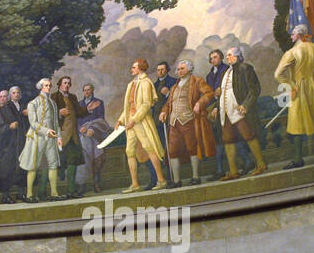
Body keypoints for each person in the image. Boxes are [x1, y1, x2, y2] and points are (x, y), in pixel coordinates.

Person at [274, 23, 314, 168]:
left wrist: (291, 85)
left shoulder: (291, 53)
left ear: (299, 35)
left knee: (297, 124)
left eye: (293, 34)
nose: (291, 36)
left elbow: (277, 74)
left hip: (299, 89)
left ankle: (298, 160)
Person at [158, 59, 215, 187]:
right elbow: (168, 104)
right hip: (173, 123)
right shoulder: (174, 87)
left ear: (189, 69)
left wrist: (199, 103)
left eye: (182, 68)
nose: (179, 71)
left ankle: (196, 177)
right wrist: (164, 112)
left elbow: (209, 93)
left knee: (192, 148)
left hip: (189, 120)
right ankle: (177, 181)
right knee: (172, 151)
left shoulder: (196, 81)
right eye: (178, 69)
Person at [218, 47, 268, 180]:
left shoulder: (245, 68)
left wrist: (246, 105)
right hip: (226, 112)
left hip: (240, 110)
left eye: (229, 55)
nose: (227, 58)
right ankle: (233, 171)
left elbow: (255, 89)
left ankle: (261, 164)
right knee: (228, 141)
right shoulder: (227, 72)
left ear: (237, 56)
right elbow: (225, 93)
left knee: (249, 136)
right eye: (227, 56)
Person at [120, 59, 168, 193]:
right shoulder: (132, 84)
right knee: (130, 151)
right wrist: (121, 119)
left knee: (149, 148)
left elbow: (146, 105)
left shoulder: (146, 83)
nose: (132, 69)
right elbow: (128, 106)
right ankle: (135, 184)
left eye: (134, 67)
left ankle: (161, 180)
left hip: (141, 122)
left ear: (140, 68)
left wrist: (133, 120)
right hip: (131, 123)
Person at [18, 78, 62, 202]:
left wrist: (59, 136)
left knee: (53, 164)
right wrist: (46, 131)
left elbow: (55, 123)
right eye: (46, 86)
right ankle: (29, 195)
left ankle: (54, 193)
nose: (48, 87)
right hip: (37, 138)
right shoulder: (33, 103)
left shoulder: (53, 103)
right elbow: (33, 123)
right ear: (41, 87)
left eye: (49, 85)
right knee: (33, 166)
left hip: (51, 138)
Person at [77, 84, 112, 194]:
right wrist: (81, 128)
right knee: (84, 159)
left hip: (95, 134)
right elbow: (77, 120)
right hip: (83, 136)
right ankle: (82, 185)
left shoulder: (99, 102)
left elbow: (101, 118)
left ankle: (96, 183)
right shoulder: (79, 104)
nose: (87, 92)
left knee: (98, 159)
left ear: (92, 90)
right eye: (85, 90)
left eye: (89, 90)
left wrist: (91, 128)